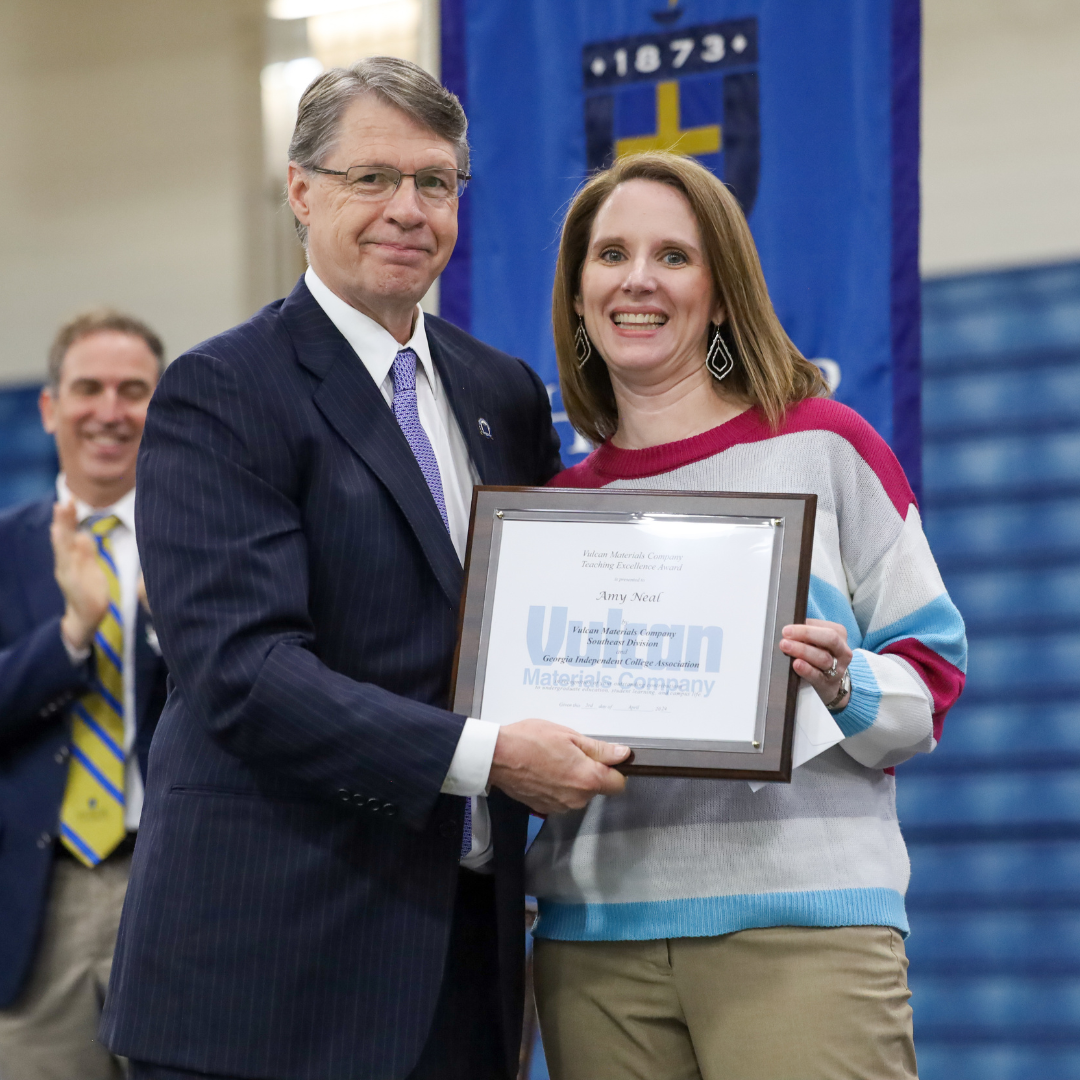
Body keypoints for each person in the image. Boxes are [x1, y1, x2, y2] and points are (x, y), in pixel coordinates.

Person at [100, 57, 629, 1080]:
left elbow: (551, 615)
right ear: (302, 192)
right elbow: (245, 673)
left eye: (435, 182)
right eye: (372, 178)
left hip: (462, 965)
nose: (408, 209)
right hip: (268, 978)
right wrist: (487, 757)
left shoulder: (504, 392)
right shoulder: (221, 391)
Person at [525, 151, 968, 1080]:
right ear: (577, 295)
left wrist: (845, 682)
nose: (638, 280)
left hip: (802, 932)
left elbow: (932, 677)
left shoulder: (824, 444)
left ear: (722, 295)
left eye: (674, 256)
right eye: (611, 255)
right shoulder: (553, 514)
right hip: (592, 947)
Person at [0, 309, 169, 1080]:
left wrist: (173, 629)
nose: (110, 410)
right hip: (35, 910)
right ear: (49, 407)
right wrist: (72, 632)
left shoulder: (203, 543)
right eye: (88, 388)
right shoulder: (5, 547)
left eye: (133, 391)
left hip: (172, 891)